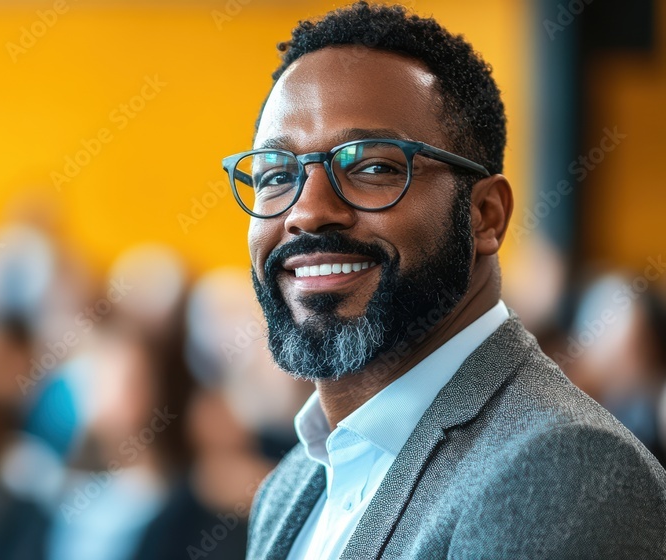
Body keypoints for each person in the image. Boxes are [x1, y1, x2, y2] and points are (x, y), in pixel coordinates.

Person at [221, 3, 666, 558]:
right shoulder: (292, 485)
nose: (307, 211)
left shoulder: (561, 470)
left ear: (485, 216)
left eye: (372, 167)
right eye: (276, 174)